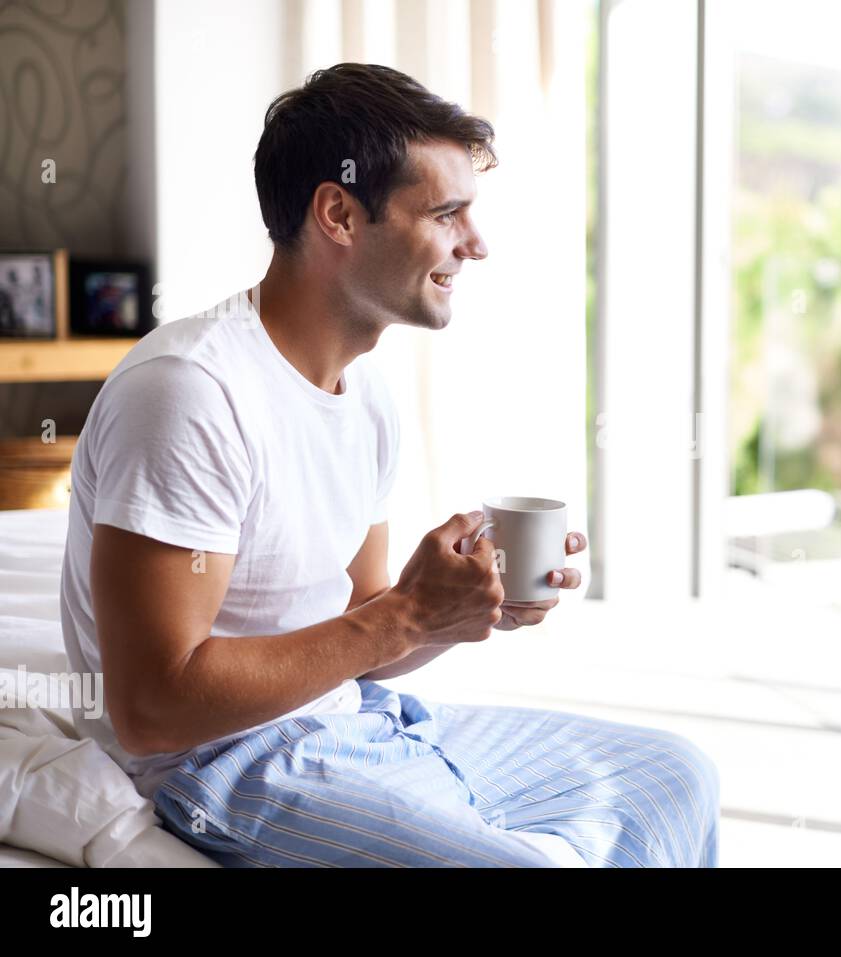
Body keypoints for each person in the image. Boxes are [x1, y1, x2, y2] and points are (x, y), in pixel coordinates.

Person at [60, 62, 719, 867]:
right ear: (337, 213)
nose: (475, 245)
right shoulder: (189, 392)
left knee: (674, 776)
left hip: (361, 719)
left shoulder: (363, 395)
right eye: (446, 214)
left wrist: (466, 607)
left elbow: (362, 617)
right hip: (228, 764)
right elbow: (150, 705)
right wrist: (404, 613)